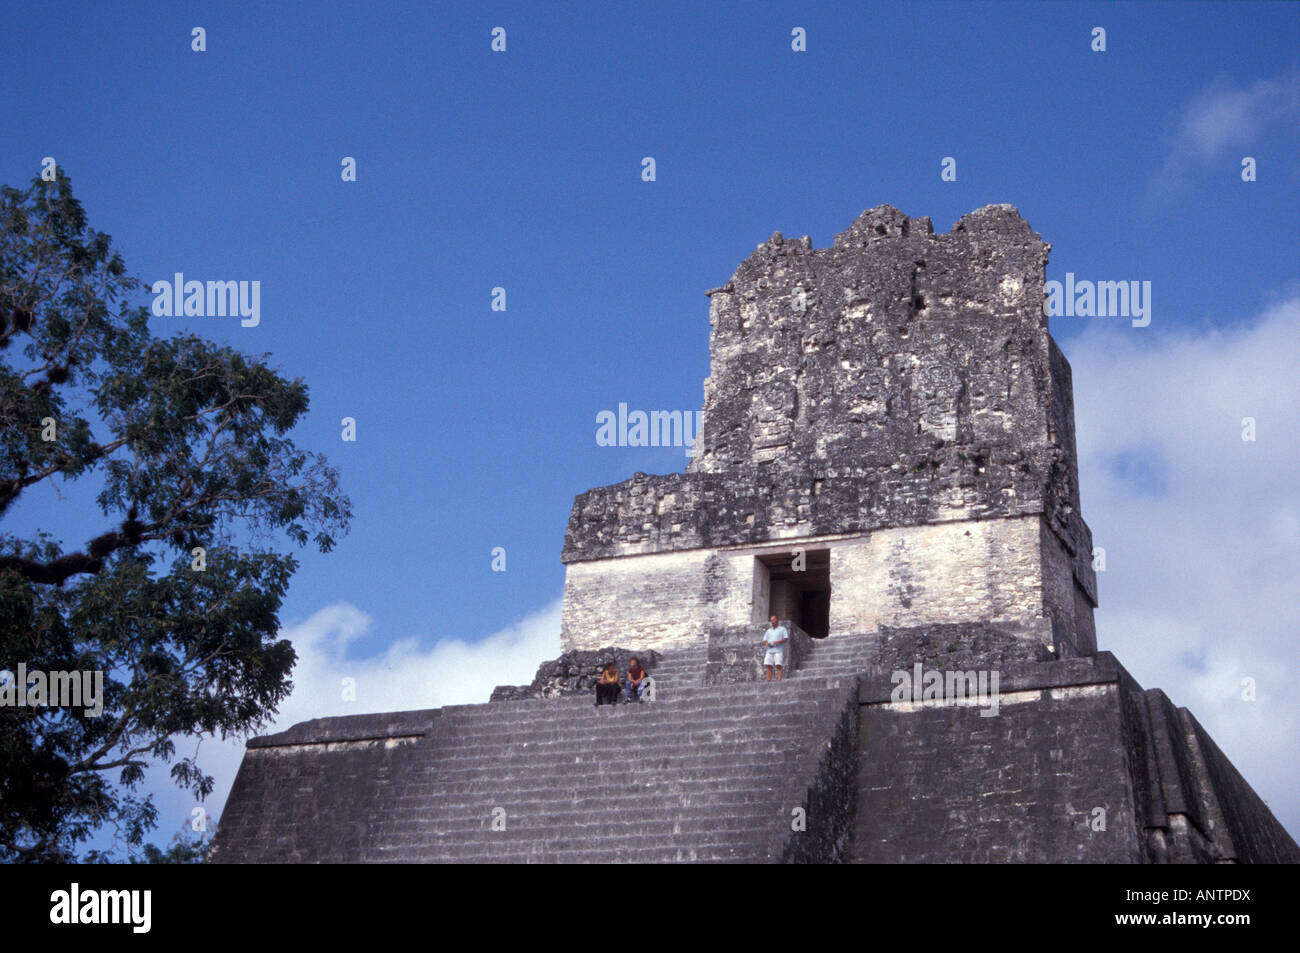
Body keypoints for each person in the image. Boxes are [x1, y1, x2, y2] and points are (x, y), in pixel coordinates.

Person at [762, 614, 788, 682]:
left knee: (778, 665)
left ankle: (779, 679)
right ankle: (769, 679)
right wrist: (767, 643)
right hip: (769, 650)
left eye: (774, 620)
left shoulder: (782, 629)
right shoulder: (768, 631)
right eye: (771, 621)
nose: (772, 622)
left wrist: (778, 642)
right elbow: (765, 640)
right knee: (768, 665)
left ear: (777, 620)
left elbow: (785, 638)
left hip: (778, 650)